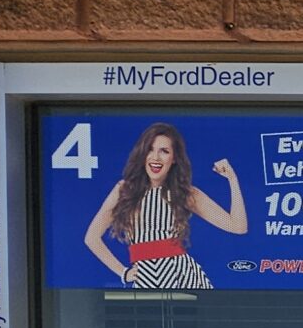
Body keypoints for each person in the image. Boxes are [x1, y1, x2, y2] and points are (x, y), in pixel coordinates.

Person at [83, 122, 246, 289]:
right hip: (146, 280)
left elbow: (237, 226)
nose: (155, 157)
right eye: (150, 149)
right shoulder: (124, 190)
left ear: (174, 158)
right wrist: (123, 272)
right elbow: (91, 237)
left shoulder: (185, 193)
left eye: (164, 151)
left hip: (183, 278)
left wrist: (232, 180)